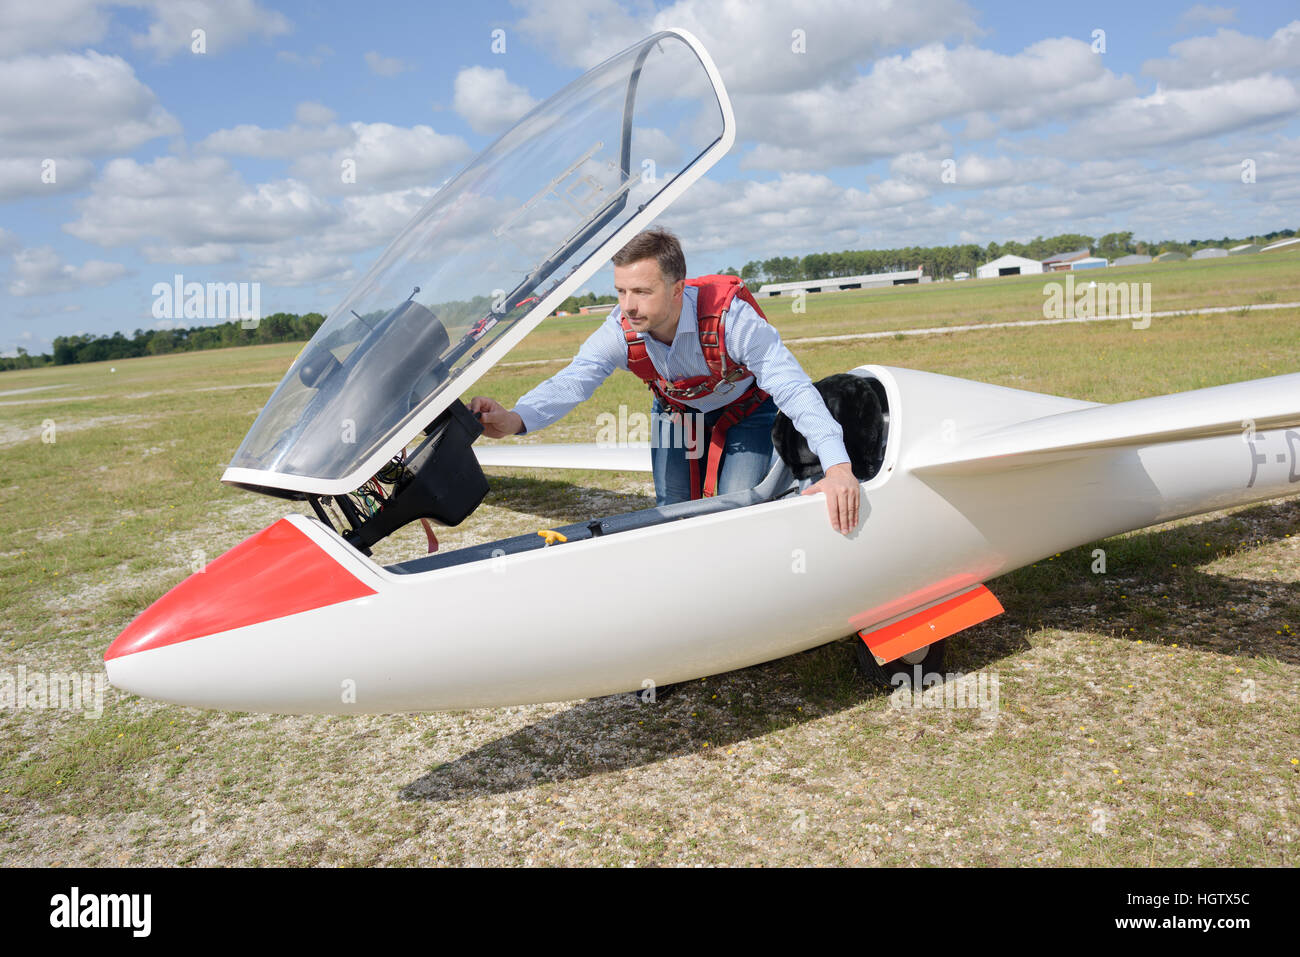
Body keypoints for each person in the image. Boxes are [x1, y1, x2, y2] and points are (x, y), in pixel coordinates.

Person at [470, 228, 861, 534]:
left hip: (748, 412)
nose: (628, 305)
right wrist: (514, 418)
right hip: (677, 416)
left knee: (737, 506)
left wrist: (838, 467)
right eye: (621, 291)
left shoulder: (733, 320)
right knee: (670, 511)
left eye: (642, 291)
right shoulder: (619, 331)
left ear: (677, 290)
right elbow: (574, 380)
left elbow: (793, 387)